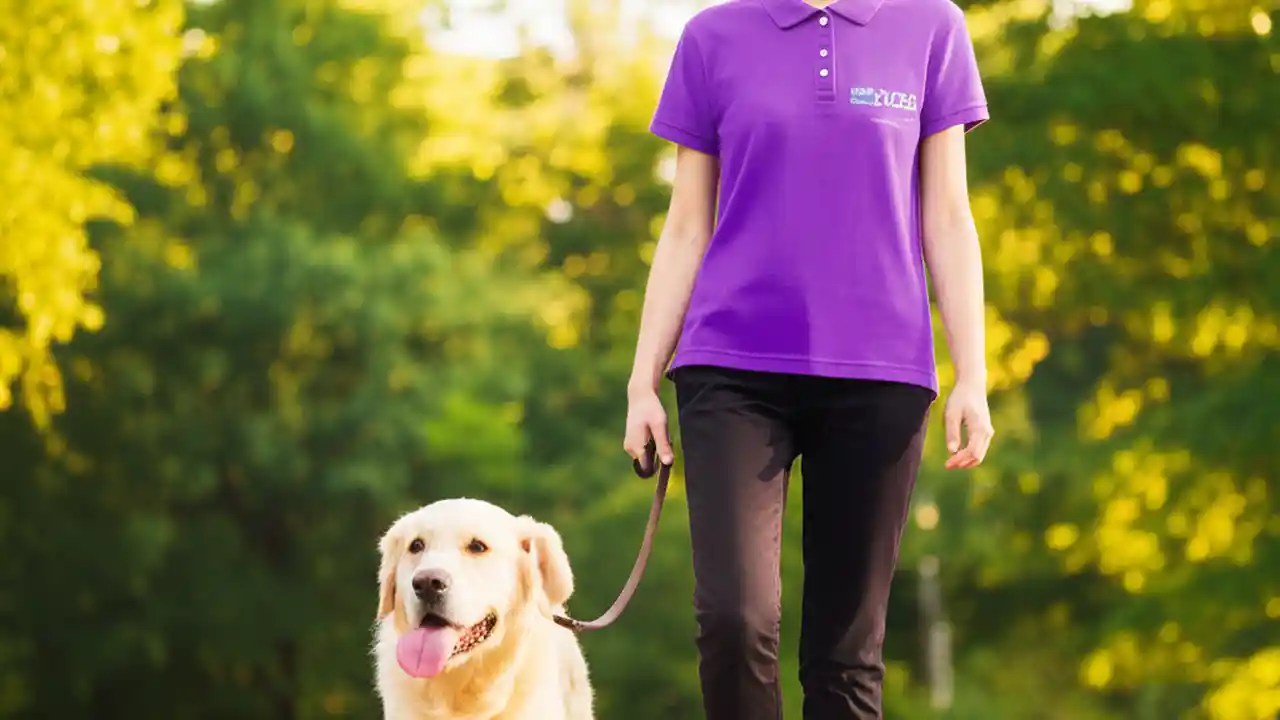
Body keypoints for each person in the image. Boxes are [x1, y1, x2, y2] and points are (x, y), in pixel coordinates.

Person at [622, 0, 994, 717]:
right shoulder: (713, 36)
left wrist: (972, 375)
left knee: (847, 654)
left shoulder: (931, 27)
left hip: (880, 372)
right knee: (736, 620)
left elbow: (948, 215)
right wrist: (643, 382)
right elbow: (684, 226)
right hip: (731, 366)